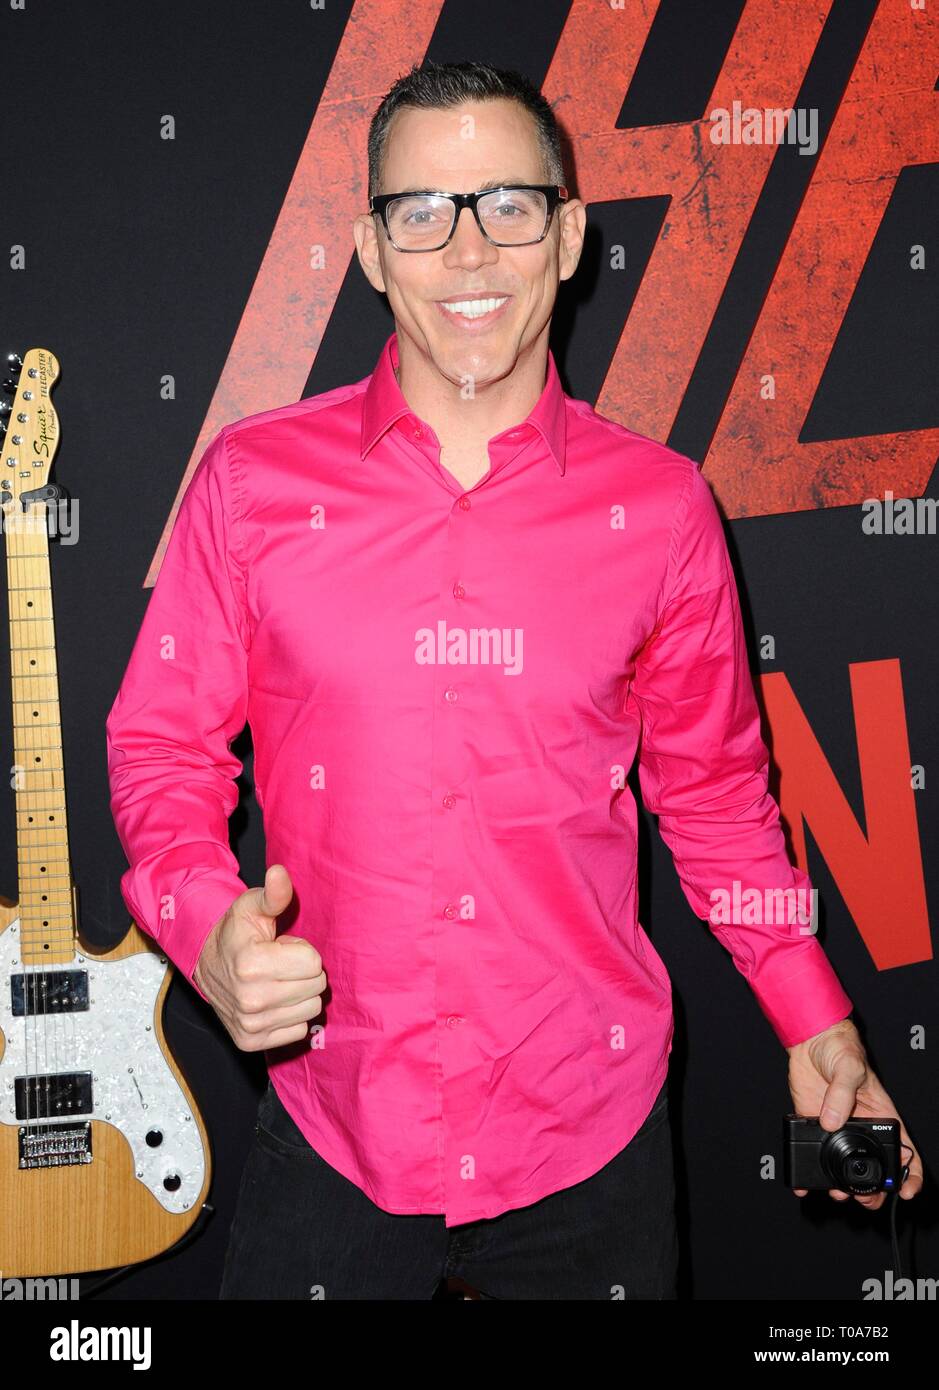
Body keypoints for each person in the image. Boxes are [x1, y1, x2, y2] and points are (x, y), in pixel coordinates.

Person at [106, 60, 922, 1301]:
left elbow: (715, 806)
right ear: (374, 253)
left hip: (589, 1142)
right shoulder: (251, 483)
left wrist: (819, 1023)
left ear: (572, 233)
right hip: (335, 1133)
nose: (469, 252)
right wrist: (202, 921)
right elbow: (162, 748)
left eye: (508, 205)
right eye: (422, 213)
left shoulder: (662, 510)